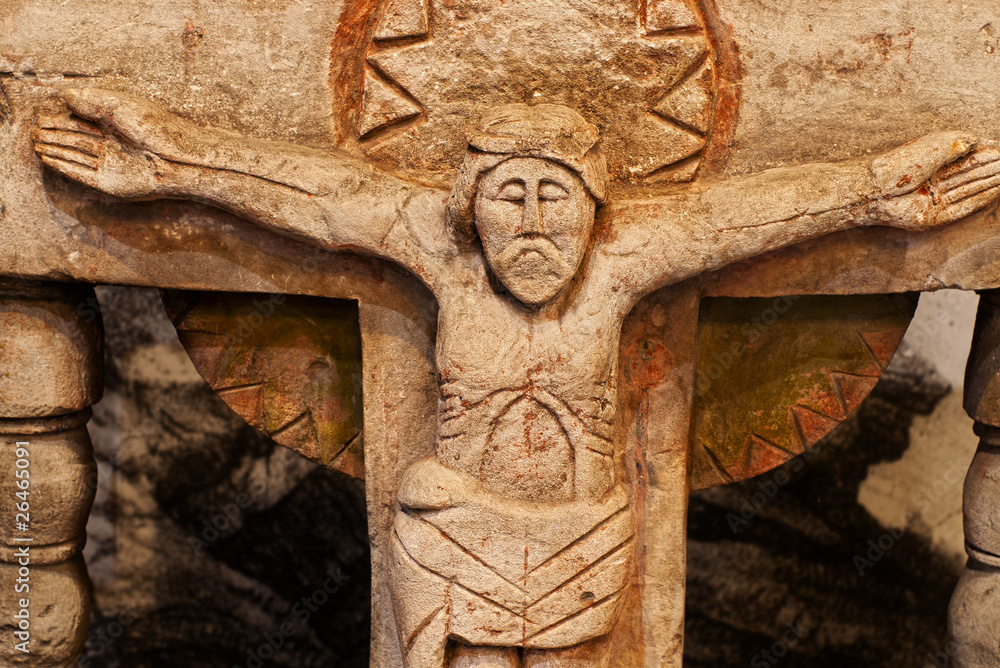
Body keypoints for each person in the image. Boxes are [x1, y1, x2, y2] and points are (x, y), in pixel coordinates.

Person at [33, 91, 1000, 667]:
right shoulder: (440, 257)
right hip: (455, 539)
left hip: (582, 539)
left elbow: (755, 218)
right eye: (511, 195)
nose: (535, 224)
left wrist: (883, 191)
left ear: (594, 207)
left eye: (556, 197)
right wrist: (163, 159)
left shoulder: (621, 266)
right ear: (471, 210)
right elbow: (311, 199)